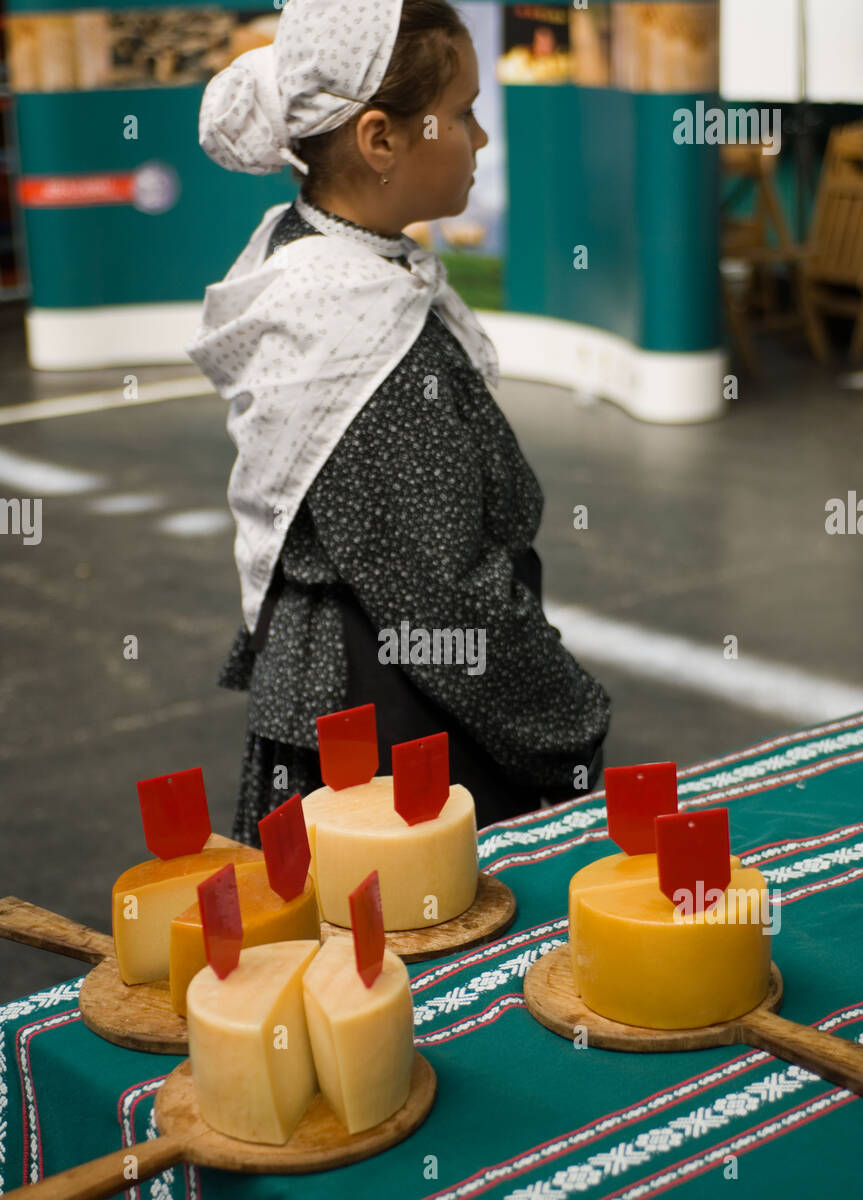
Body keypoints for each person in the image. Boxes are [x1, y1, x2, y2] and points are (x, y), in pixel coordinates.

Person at [186, 0, 610, 843]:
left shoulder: (320, 255)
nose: (480, 139)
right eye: (460, 115)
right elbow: (436, 598)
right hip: (392, 728)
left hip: (368, 697)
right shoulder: (356, 336)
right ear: (381, 140)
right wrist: (567, 720)